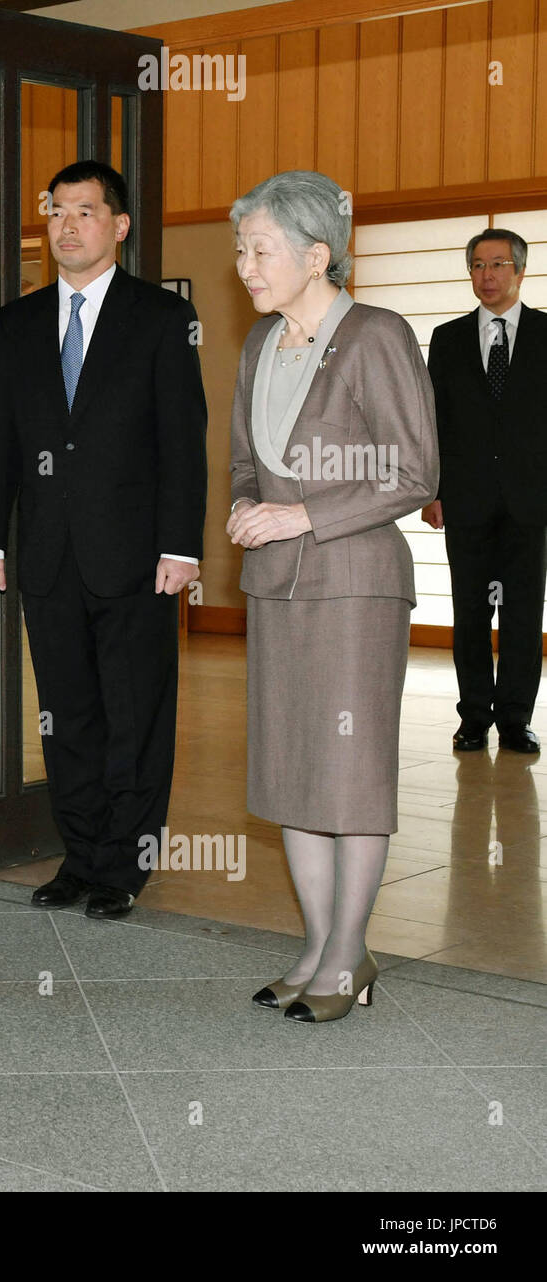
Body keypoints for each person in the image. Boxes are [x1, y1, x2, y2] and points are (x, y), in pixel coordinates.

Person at [228, 170, 438, 1022]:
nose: (245, 265)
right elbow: (245, 460)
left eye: (260, 249)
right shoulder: (257, 345)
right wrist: (245, 506)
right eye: (241, 248)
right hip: (276, 587)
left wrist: (302, 514)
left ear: (318, 256)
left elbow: (414, 469)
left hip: (356, 587)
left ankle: (349, 957)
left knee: (348, 778)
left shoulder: (377, 335)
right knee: (294, 774)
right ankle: (317, 947)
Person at [0, 159, 207, 919]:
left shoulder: (160, 319)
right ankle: (79, 855)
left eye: (84, 212)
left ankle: (123, 868)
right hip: (45, 556)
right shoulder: (16, 322)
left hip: (137, 558)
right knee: (67, 716)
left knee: (135, 716)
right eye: (57, 212)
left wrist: (181, 545)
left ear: (119, 226)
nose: (67, 226)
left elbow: (183, 441)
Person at [420, 229, 546, 754]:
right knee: (469, 614)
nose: (486, 275)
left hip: (530, 500)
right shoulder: (447, 339)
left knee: (523, 614)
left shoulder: (545, 333)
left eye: (497, 265)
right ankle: (473, 717)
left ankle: (515, 720)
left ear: (520, 271)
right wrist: (433, 490)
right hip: (466, 500)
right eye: (476, 265)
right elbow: (432, 423)